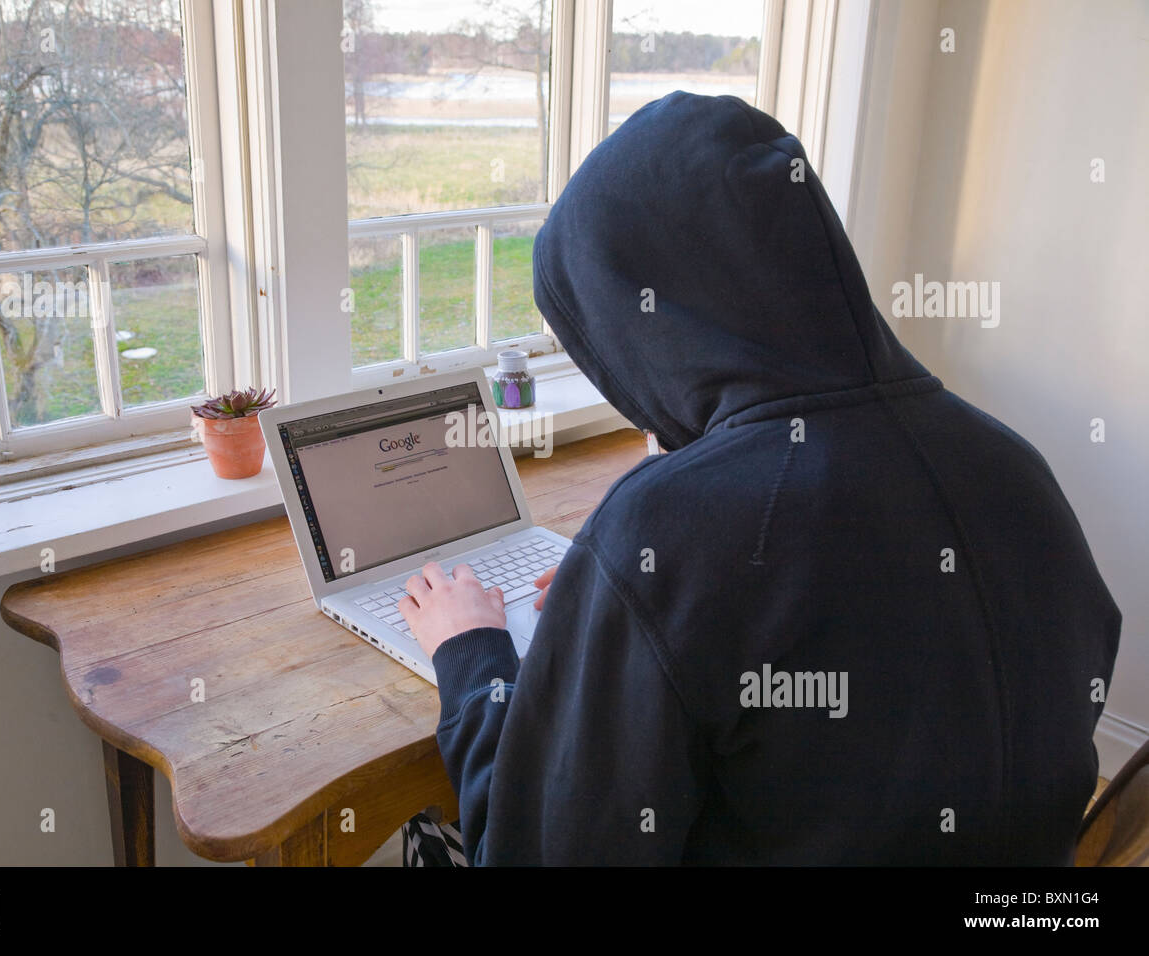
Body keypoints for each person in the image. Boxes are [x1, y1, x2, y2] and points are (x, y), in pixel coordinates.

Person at [396, 92, 1121, 865]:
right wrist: (613, 606)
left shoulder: (667, 532)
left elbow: (538, 849)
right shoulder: (1015, 467)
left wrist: (473, 653)